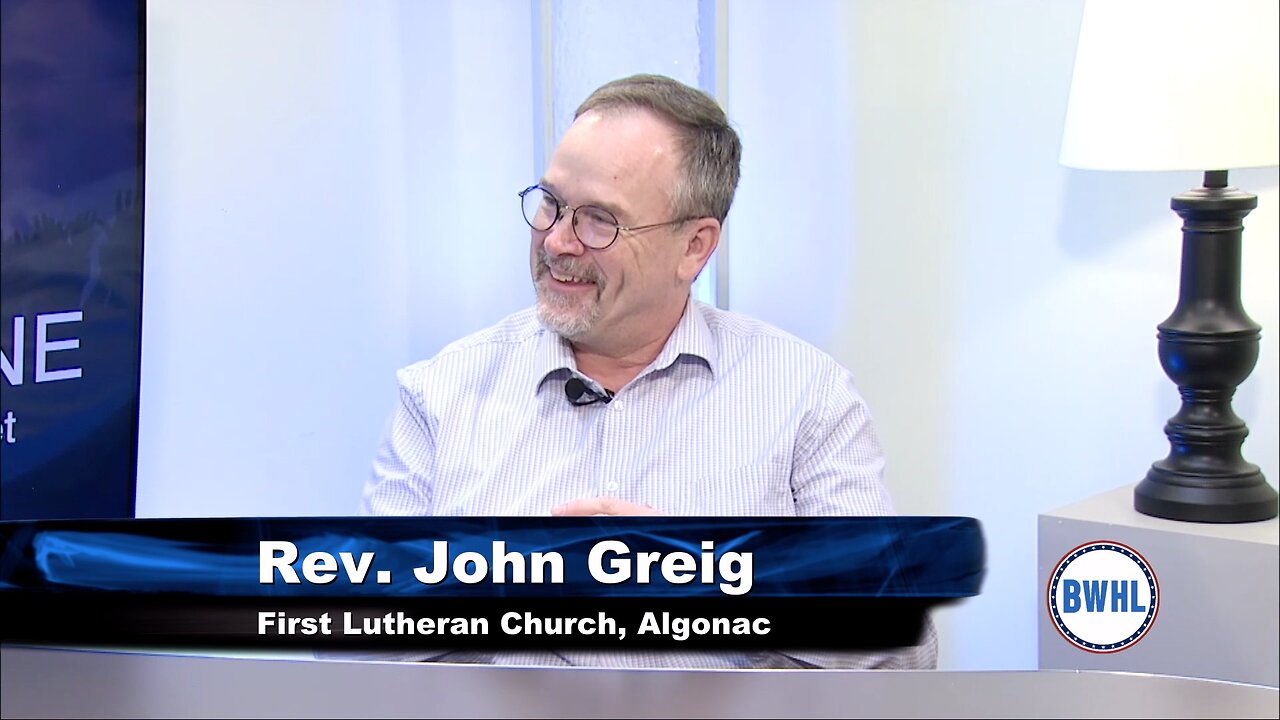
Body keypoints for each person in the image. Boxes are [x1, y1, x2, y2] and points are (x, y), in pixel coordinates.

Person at [359, 73, 936, 669]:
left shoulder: (806, 397)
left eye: (600, 220)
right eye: (551, 203)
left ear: (695, 247)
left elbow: (900, 658)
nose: (557, 241)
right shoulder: (439, 393)